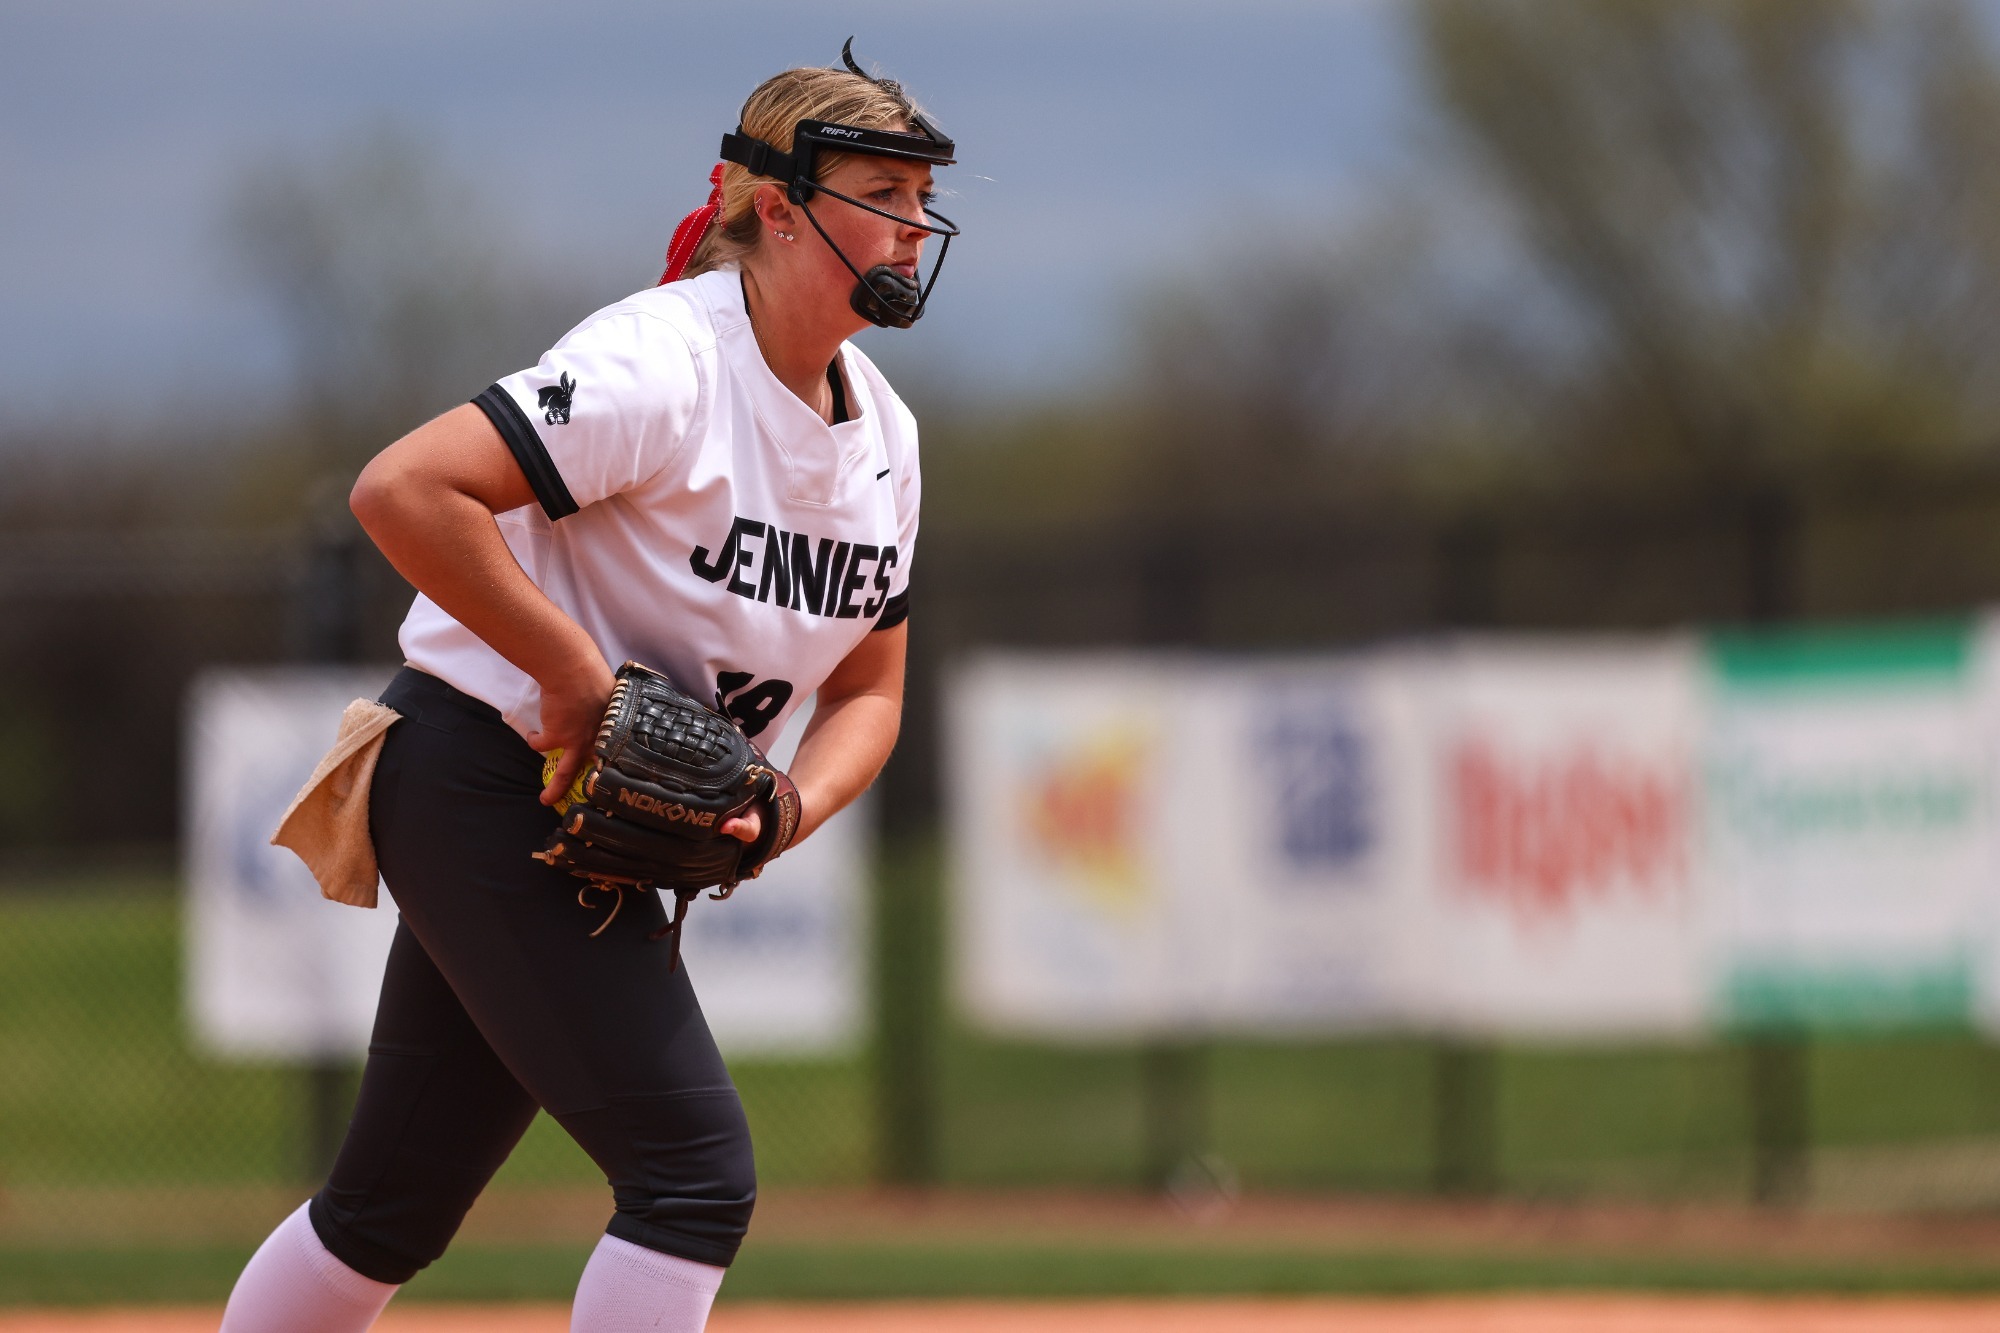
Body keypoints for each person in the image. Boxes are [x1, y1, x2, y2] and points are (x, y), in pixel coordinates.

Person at [221, 47, 956, 1333]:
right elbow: (404, 489)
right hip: (483, 772)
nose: (913, 223)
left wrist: (788, 808)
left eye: (921, 195)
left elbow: (871, 693)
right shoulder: (664, 361)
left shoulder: (885, 440)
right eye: (880, 190)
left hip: (587, 816)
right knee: (691, 1180)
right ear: (776, 207)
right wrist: (568, 669)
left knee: (386, 1208)